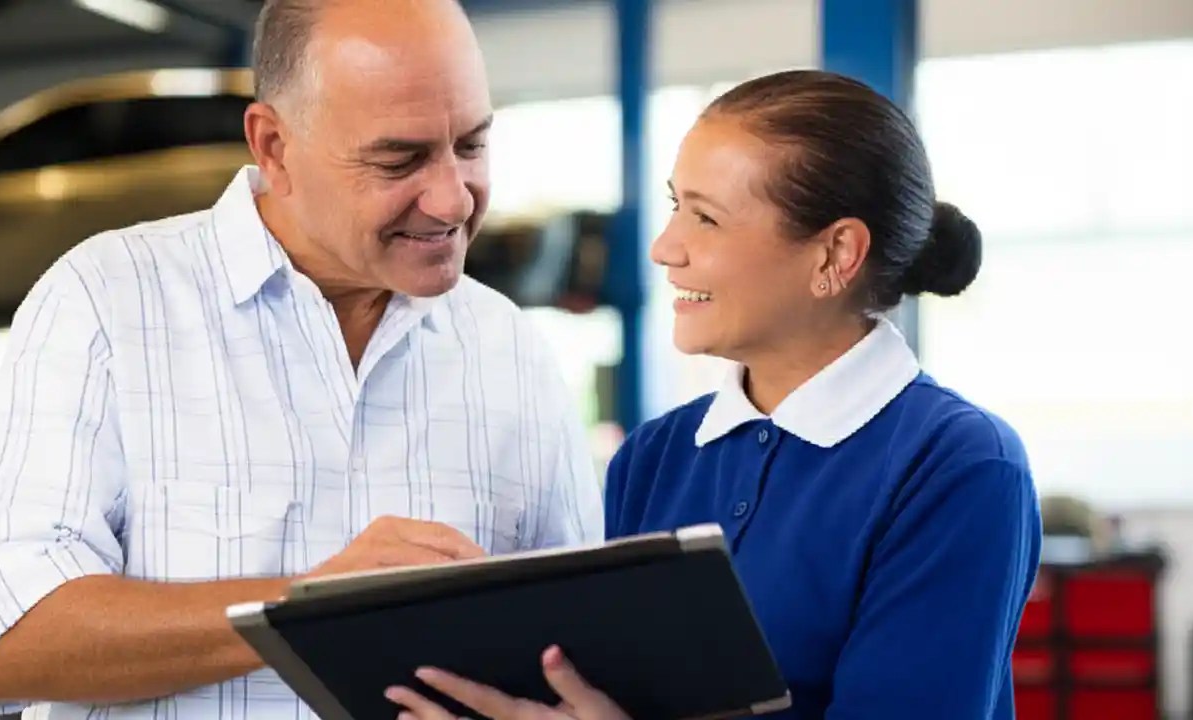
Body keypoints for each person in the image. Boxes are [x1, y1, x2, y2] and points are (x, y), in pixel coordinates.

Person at [0, 0, 603, 717]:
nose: (451, 198)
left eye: (471, 146)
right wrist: (308, 610)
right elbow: (0, 641)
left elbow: (575, 656)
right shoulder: (105, 306)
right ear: (275, 147)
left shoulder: (511, 352)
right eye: (399, 159)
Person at [386, 70, 1043, 720]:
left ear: (835, 255)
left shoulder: (959, 467)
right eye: (677, 206)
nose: (666, 247)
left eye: (706, 217)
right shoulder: (655, 455)